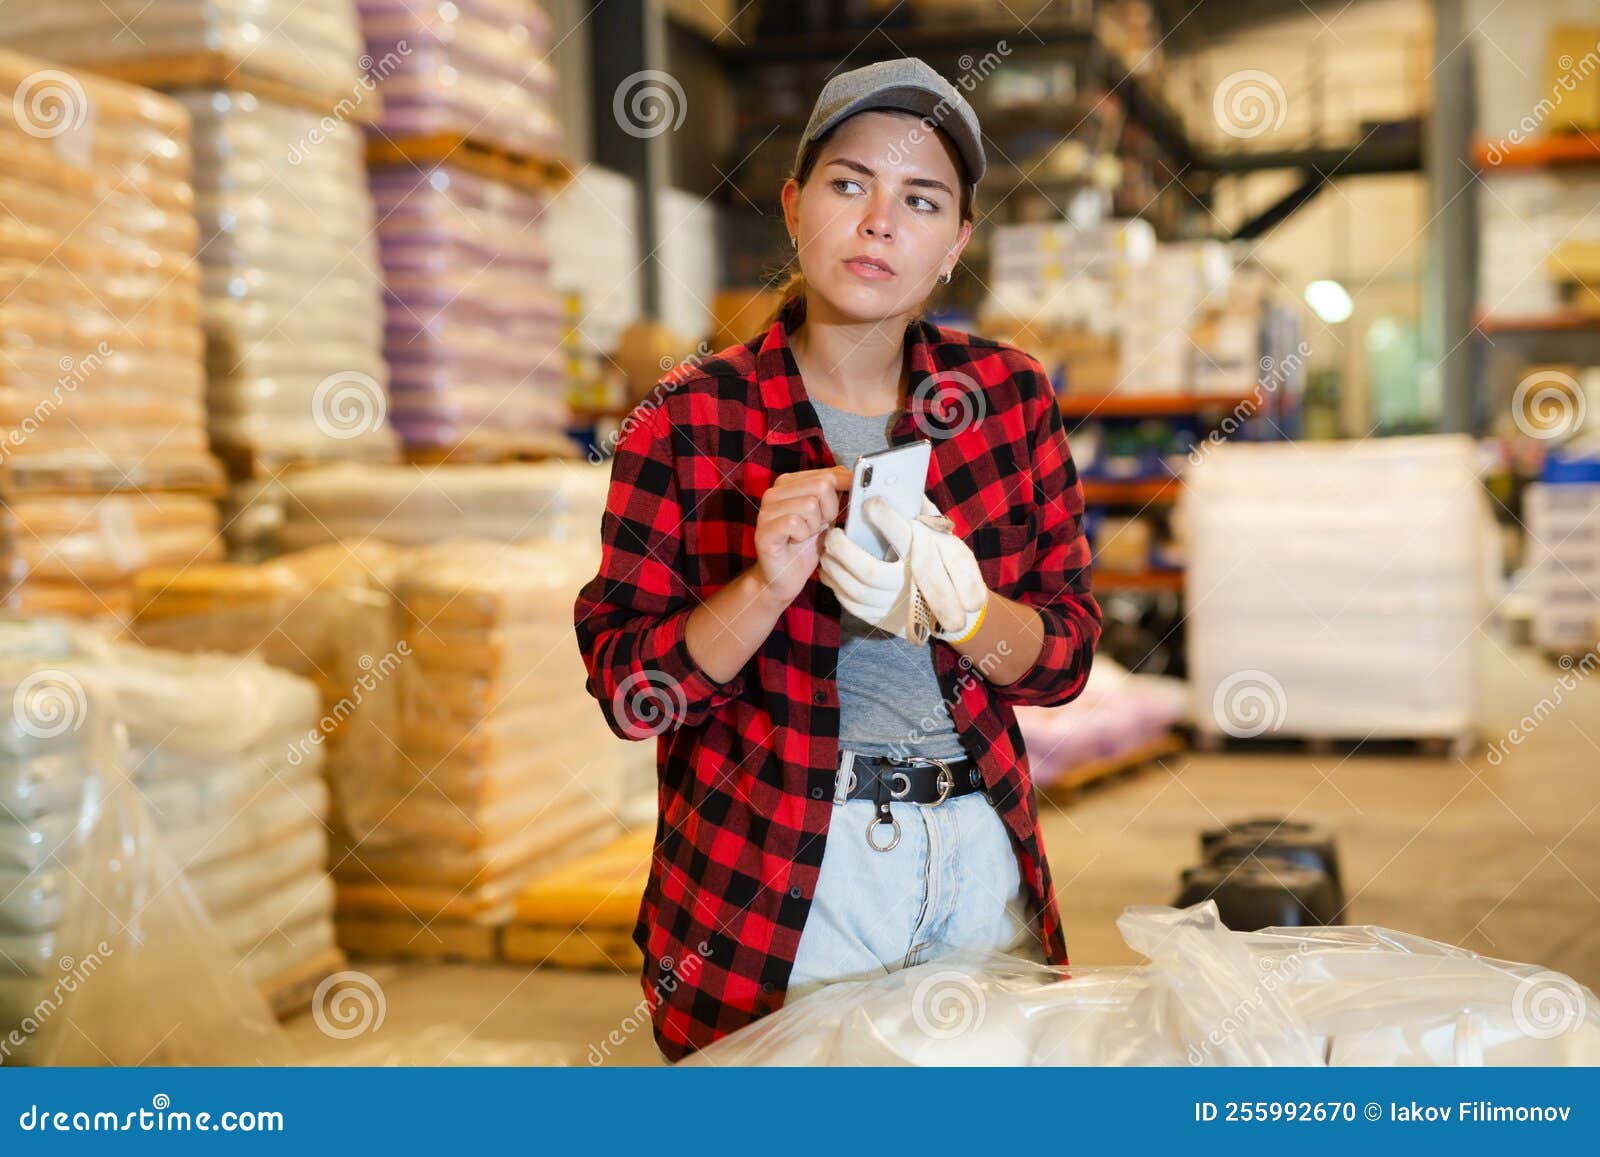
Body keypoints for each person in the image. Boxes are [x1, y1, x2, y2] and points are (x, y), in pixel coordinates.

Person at [574, 57, 1102, 1063]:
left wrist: (969, 610)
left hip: (976, 855)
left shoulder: (1008, 396)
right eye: (848, 184)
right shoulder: (686, 418)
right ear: (792, 205)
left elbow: (1066, 654)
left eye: (920, 200)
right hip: (781, 873)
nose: (879, 223)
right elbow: (631, 689)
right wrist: (764, 585)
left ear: (956, 244)